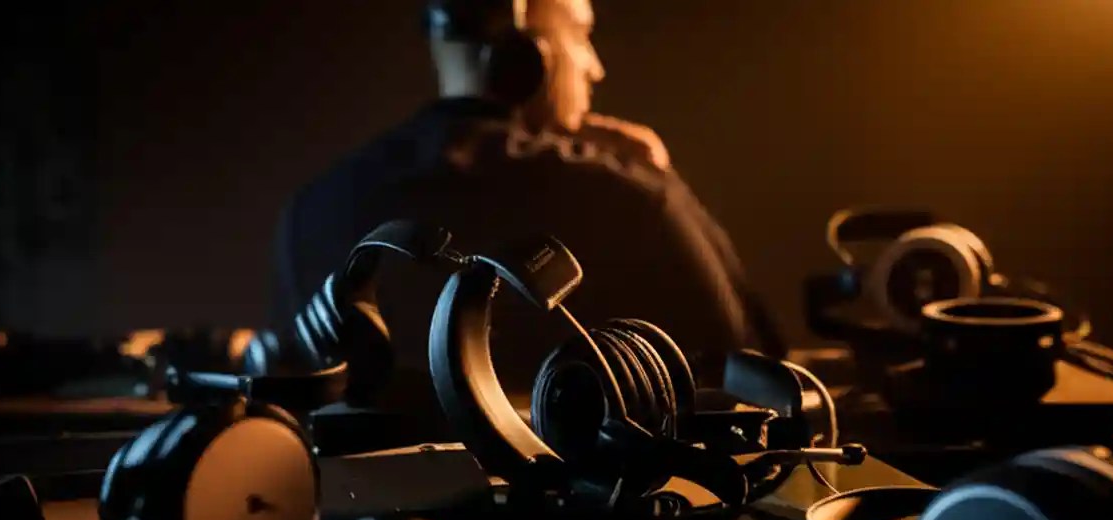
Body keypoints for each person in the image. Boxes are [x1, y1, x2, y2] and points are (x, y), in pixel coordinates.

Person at [269, 0, 783, 403]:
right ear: (522, 52)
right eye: (580, 34)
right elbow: (763, 372)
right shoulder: (627, 195)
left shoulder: (311, 212)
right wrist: (661, 177)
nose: (595, 67)